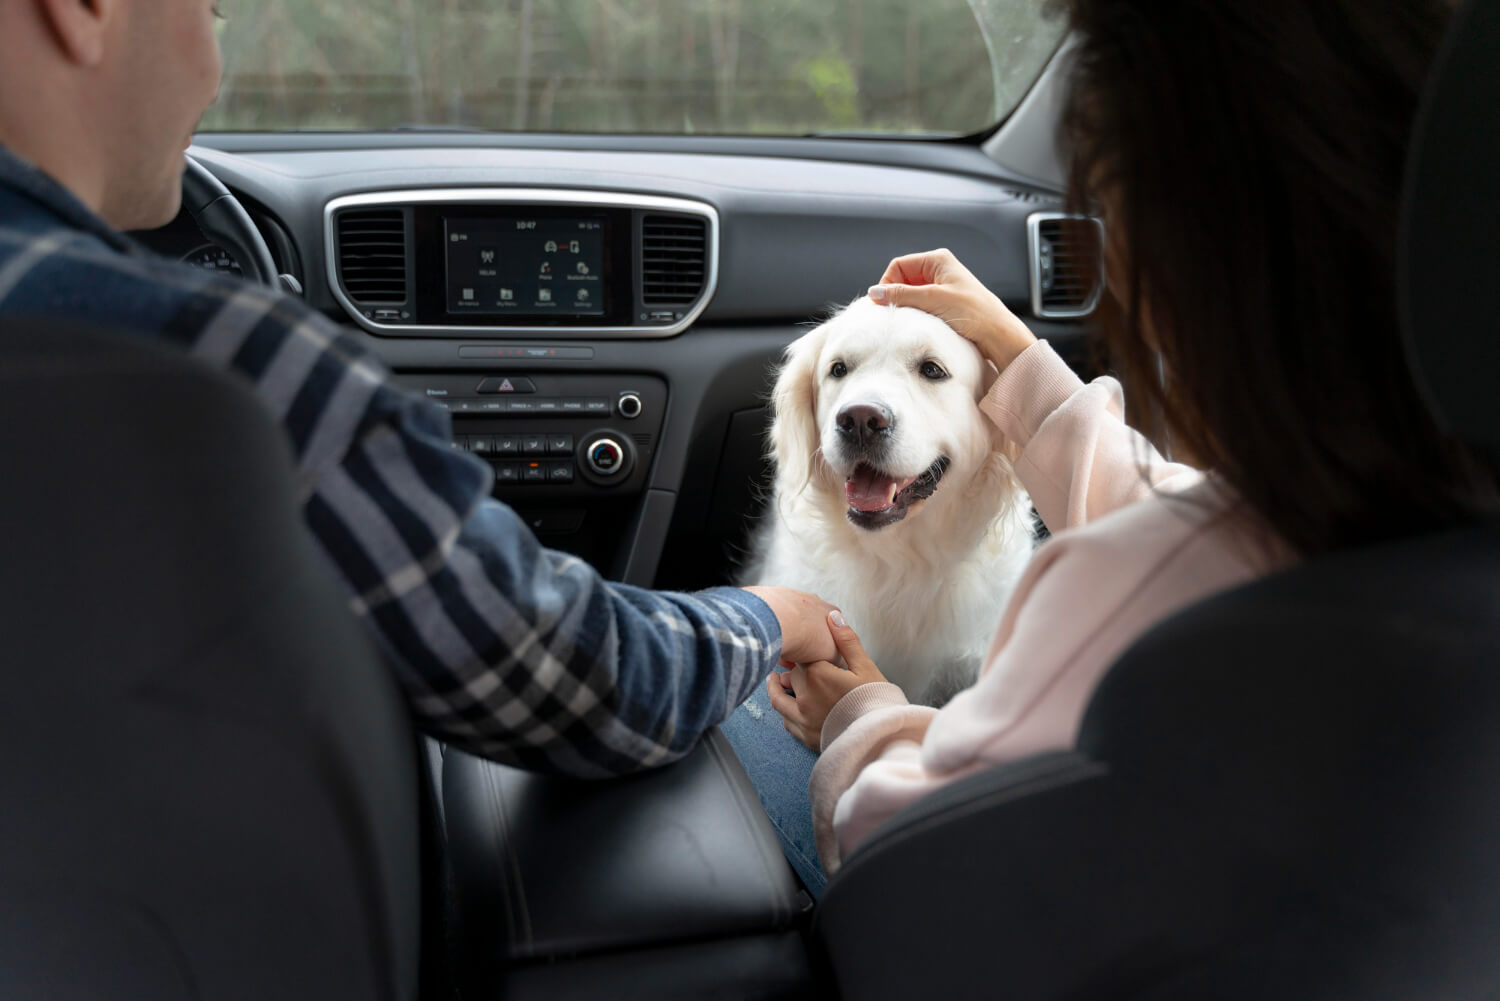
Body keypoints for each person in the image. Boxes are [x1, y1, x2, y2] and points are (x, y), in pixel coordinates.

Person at [749, 0, 1500, 896]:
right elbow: (1186, 516)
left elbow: (929, 857)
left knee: (742, 723)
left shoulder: (1121, 591)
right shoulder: (1433, 540)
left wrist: (866, 716)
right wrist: (1025, 366)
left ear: (1172, 275)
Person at [0, 0, 843, 777]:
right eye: (212, 9)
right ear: (85, 8)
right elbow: (584, 682)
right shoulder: (216, 364)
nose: (213, 67)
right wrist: (772, 614)